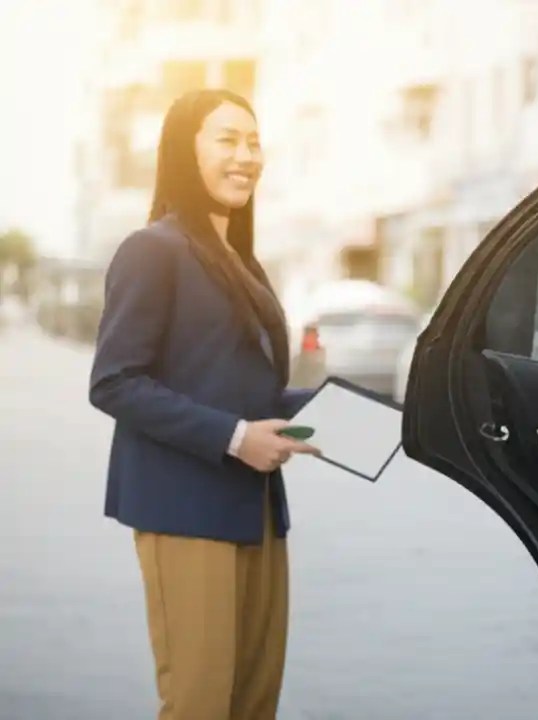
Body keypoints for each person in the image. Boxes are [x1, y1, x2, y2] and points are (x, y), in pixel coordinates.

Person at [89, 88, 318, 720]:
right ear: (183, 152)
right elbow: (113, 381)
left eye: (253, 141)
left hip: (259, 512)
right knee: (200, 703)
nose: (246, 156)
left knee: (253, 701)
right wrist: (236, 437)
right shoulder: (152, 249)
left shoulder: (242, 261)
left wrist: (342, 410)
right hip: (184, 508)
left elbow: (246, 388)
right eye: (227, 140)